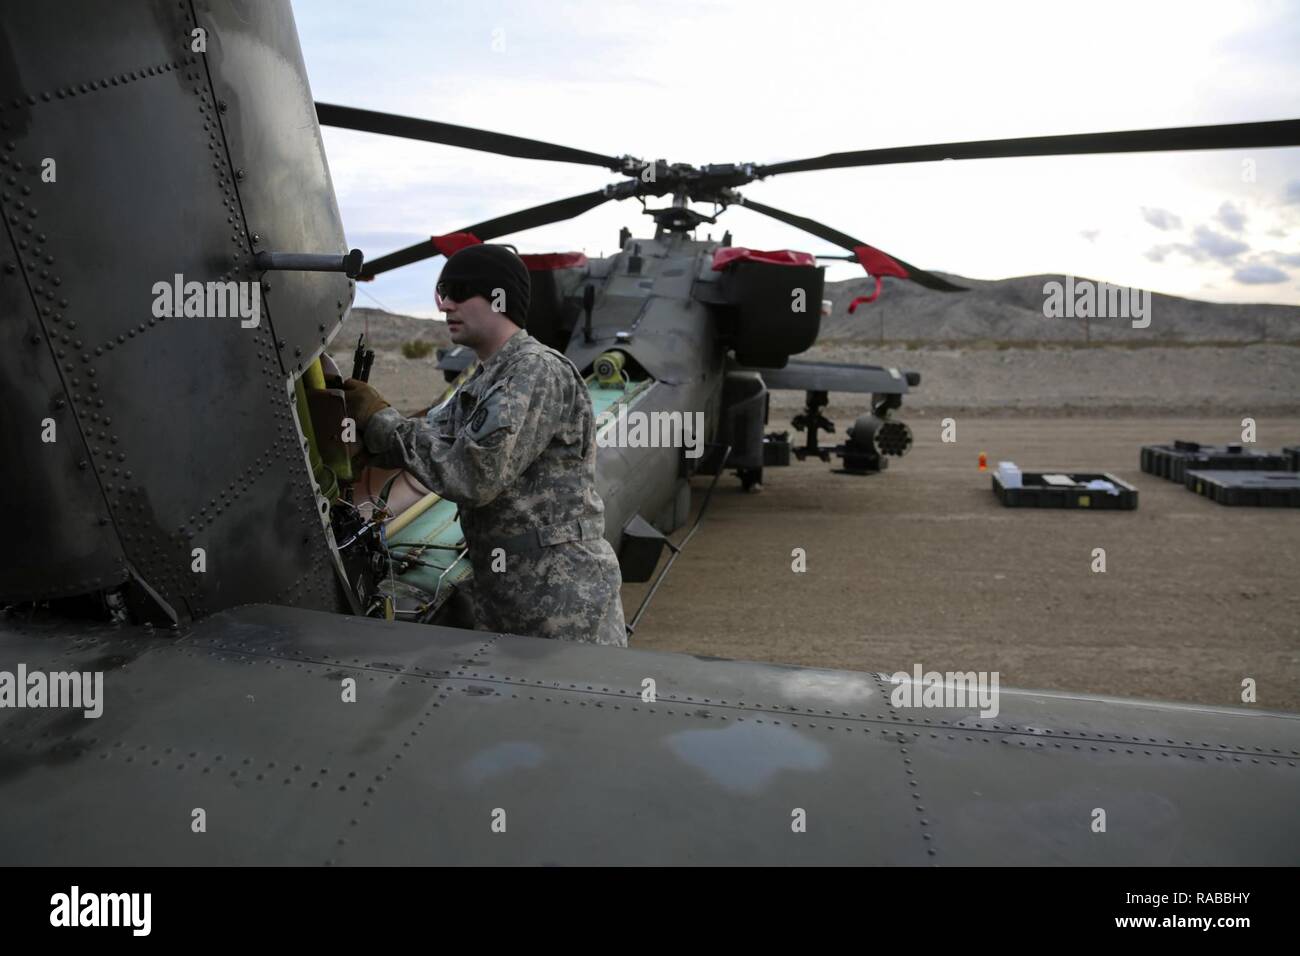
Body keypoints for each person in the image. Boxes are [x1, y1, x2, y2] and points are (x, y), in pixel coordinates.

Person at [341, 243, 627, 646]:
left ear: (499, 297)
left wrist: (378, 421)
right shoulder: (483, 382)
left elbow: (475, 475)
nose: (445, 305)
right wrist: (360, 435)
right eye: (441, 293)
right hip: (509, 591)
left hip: (559, 599)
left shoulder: (535, 371)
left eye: (458, 291)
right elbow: (430, 444)